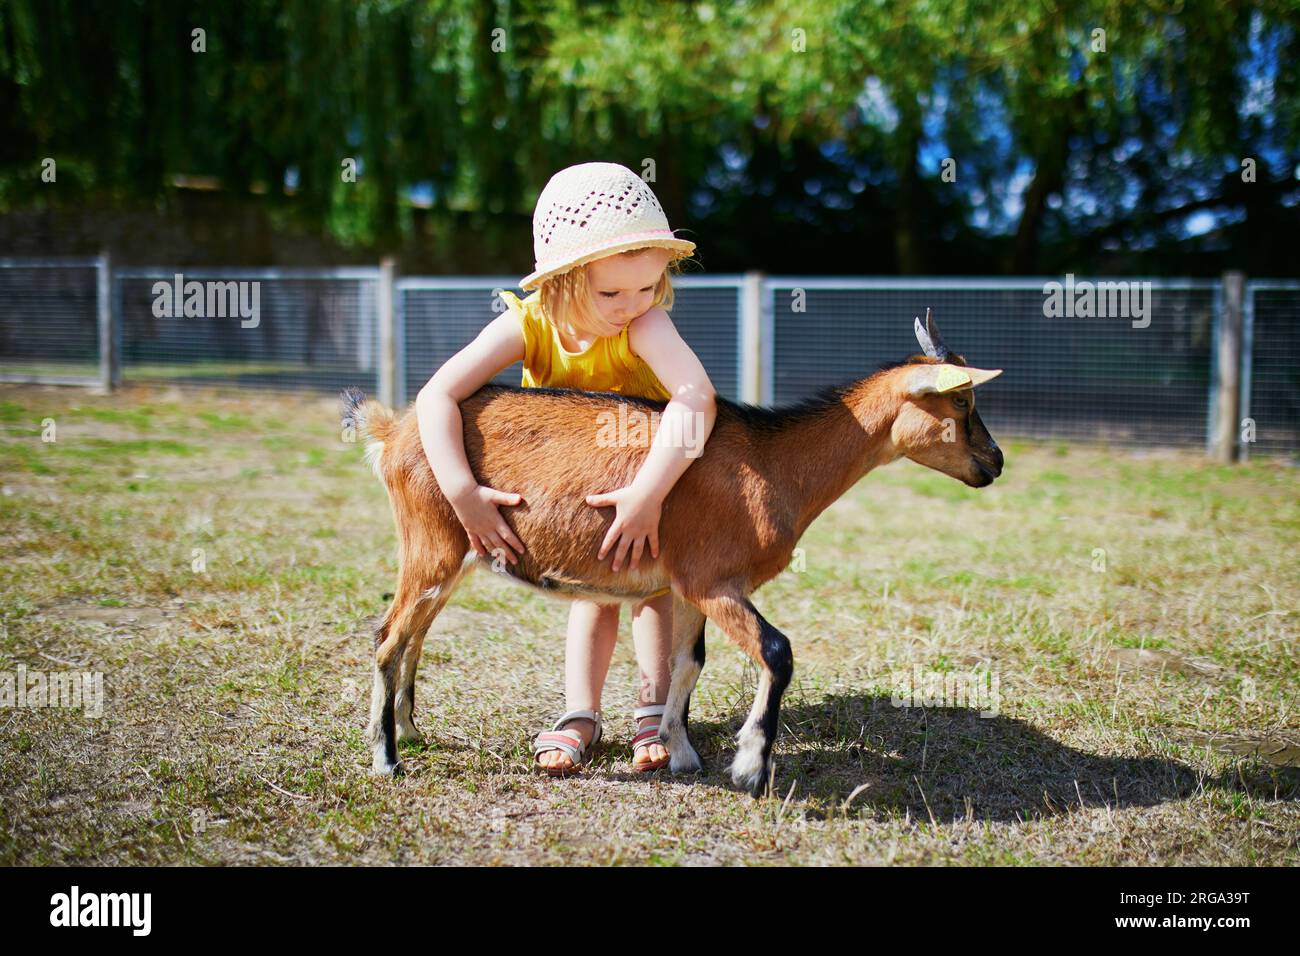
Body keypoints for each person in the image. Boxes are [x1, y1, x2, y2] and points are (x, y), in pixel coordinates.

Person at [415, 161, 717, 775]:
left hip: (649, 481)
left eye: (649, 287)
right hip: (577, 495)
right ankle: (580, 713)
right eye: (613, 292)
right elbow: (436, 396)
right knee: (593, 597)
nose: (632, 305)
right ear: (561, 282)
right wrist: (462, 492)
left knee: (656, 590)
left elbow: (696, 399)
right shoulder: (529, 324)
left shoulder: (644, 324)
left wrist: (649, 494)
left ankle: (654, 711)